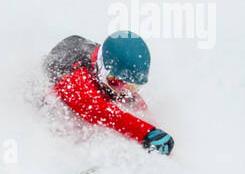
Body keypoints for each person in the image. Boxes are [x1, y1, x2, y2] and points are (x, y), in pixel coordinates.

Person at [43, 32, 175, 155]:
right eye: (116, 82)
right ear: (101, 67)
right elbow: (100, 111)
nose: (124, 91)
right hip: (54, 100)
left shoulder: (118, 85)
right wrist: (146, 133)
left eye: (133, 86)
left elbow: (138, 112)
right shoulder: (76, 79)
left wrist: (156, 133)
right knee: (65, 116)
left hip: (97, 91)